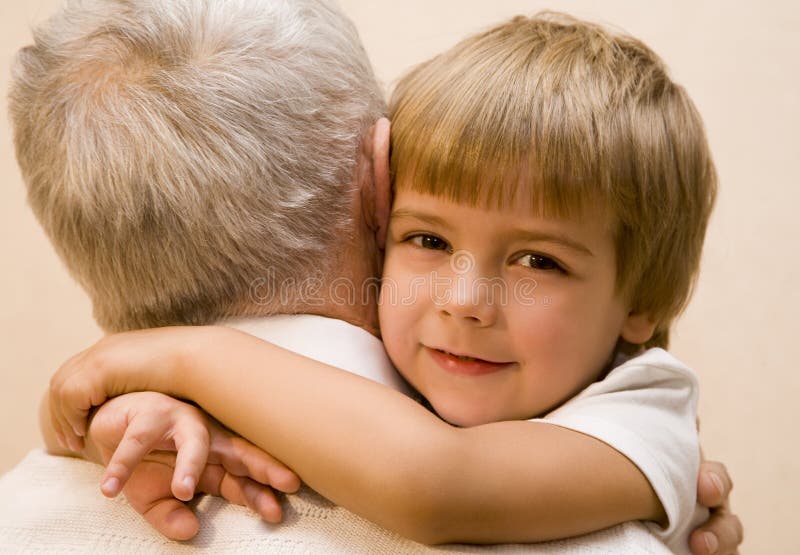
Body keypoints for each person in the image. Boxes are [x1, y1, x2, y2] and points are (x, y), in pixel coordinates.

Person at [8, 0, 740, 552]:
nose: (464, 301)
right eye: (427, 239)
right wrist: (117, 417)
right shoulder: (398, 382)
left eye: (539, 260)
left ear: (643, 300)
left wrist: (183, 354)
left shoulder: (648, 410)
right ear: (380, 200)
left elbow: (438, 483)